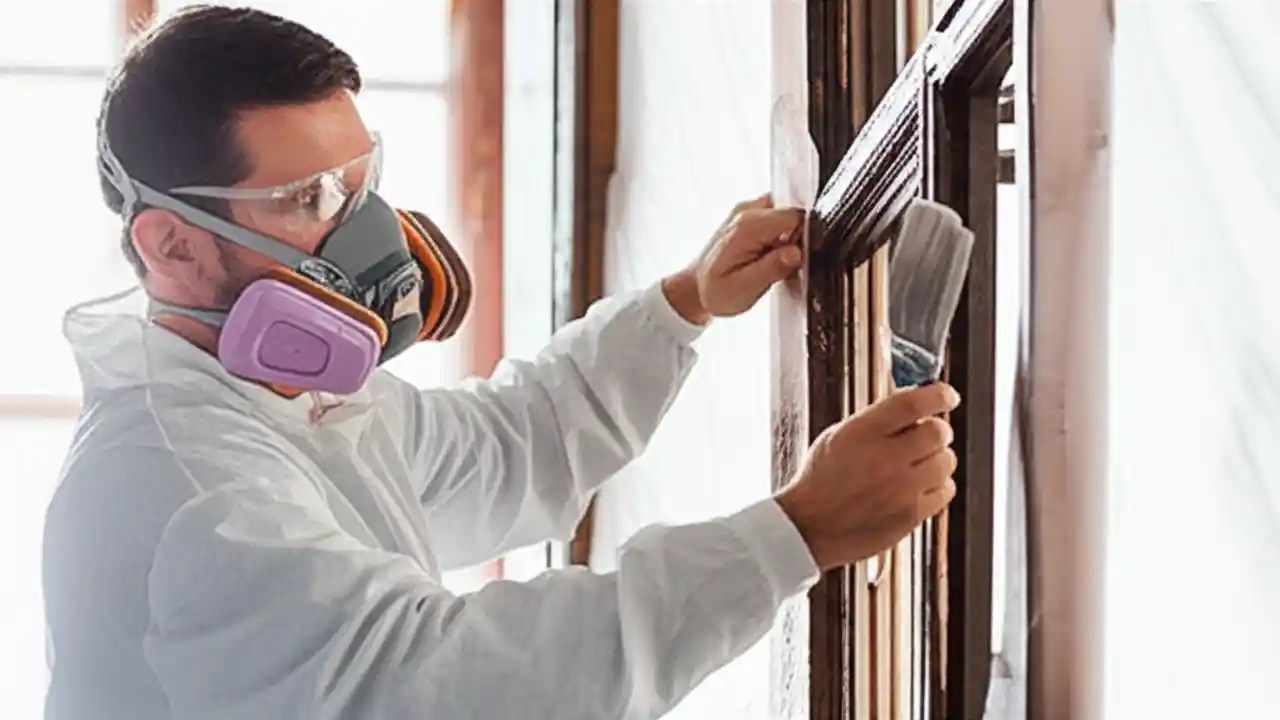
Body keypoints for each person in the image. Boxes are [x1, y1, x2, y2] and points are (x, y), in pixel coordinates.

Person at [42, 6, 960, 719]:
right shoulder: (185, 491)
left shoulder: (290, 404)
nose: (367, 234)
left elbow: (509, 447)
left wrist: (681, 304)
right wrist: (793, 533)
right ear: (171, 247)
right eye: (310, 197)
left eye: (362, 182)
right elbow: (460, 687)